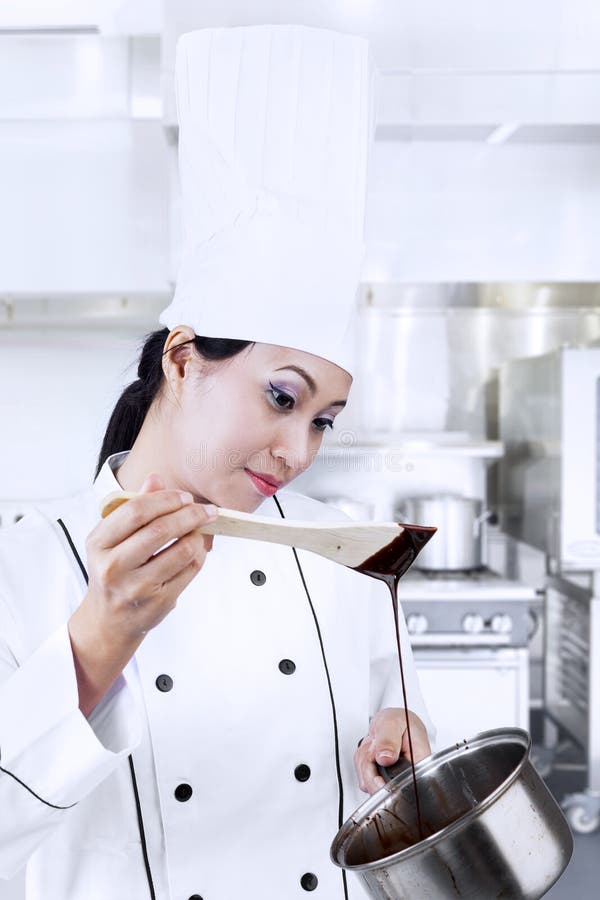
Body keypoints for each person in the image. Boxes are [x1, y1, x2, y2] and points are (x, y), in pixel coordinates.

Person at [0, 25, 433, 900]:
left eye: (325, 422)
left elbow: (400, 742)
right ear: (185, 356)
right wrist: (97, 643)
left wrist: (401, 747)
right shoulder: (27, 562)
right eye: (282, 396)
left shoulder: (347, 555)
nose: (297, 451)